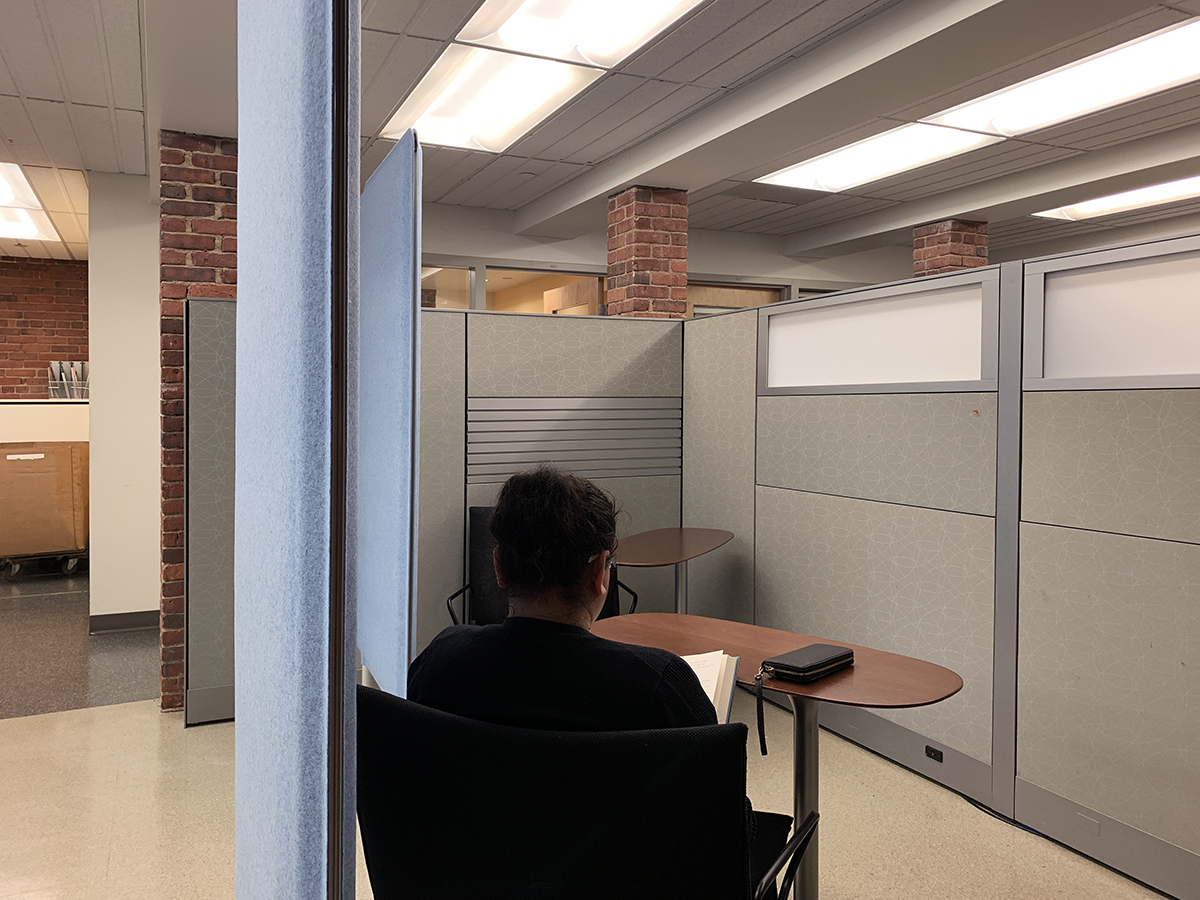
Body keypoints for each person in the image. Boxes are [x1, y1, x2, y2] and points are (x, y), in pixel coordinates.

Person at [407, 466, 790, 895]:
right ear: (599, 574)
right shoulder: (659, 685)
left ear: (497, 566)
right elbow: (725, 830)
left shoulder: (440, 662)